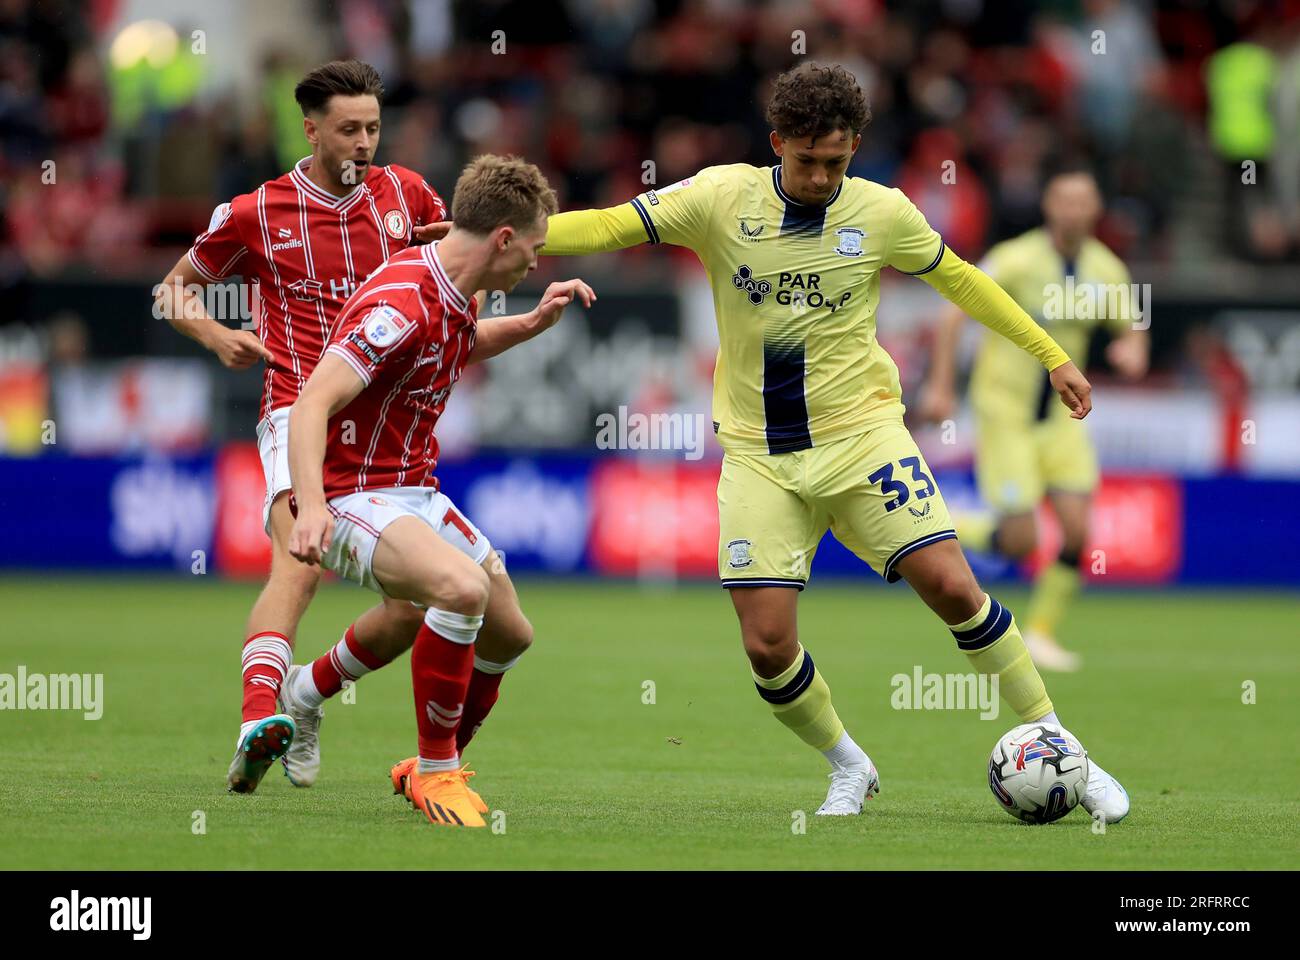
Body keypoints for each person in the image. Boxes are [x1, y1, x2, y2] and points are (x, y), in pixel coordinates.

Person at [540, 62, 1129, 822]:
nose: (820, 176)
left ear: (857, 148)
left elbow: (965, 282)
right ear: (776, 141)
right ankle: (849, 765)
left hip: (863, 436)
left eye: (837, 162)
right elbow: (609, 223)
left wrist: (1052, 354)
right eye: (806, 160)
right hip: (758, 452)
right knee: (766, 645)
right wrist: (499, 241)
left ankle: (1061, 742)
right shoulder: (721, 197)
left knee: (952, 586)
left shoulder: (883, 212)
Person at [157, 60, 528, 794]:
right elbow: (172, 293)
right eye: (350, 129)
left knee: (408, 610)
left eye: (374, 128)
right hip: (302, 408)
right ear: (311, 129)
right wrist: (215, 334)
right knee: (298, 564)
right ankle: (256, 720)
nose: (364, 143)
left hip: (384, 429)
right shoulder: (256, 212)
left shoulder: (406, 195)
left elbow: (452, 281)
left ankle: (305, 695)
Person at [287, 154, 594, 827]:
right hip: (347, 495)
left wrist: (533, 324)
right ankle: (435, 771)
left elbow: (455, 343)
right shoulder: (400, 302)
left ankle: (307, 691)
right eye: (535, 249)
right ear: (503, 239)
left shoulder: (460, 293)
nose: (537, 264)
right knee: (460, 591)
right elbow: (313, 402)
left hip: (411, 492)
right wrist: (309, 507)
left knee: (510, 633)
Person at [919, 168, 1149, 671]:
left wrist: (1133, 349)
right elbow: (955, 310)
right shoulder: (1016, 258)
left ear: (1095, 210)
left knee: (1076, 531)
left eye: (1083, 200)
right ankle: (951, 526)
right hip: (1006, 412)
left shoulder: (1106, 268)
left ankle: (1041, 633)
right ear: (1049, 206)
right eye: (1064, 200)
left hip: (1064, 418)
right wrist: (940, 384)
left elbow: (1132, 323)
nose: (1073, 210)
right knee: (1022, 541)